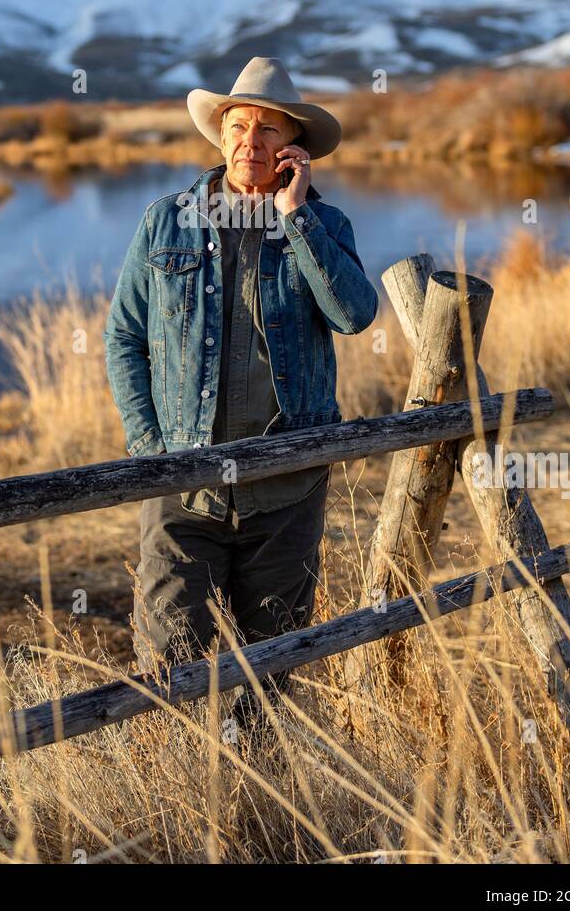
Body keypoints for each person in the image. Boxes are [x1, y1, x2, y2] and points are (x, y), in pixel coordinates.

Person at [103, 56, 378, 730]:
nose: (249, 142)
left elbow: (353, 315)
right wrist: (152, 452)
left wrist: (295, 218)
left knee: (271, 675)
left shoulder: (324, 224)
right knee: (172, 673)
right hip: (182, 495)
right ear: (220, 135)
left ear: (293, 148)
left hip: (285, 489)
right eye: (237, 126)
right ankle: (179, 813)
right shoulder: (166, 222)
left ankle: (263, 813)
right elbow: (123, 339)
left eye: (267, 130)